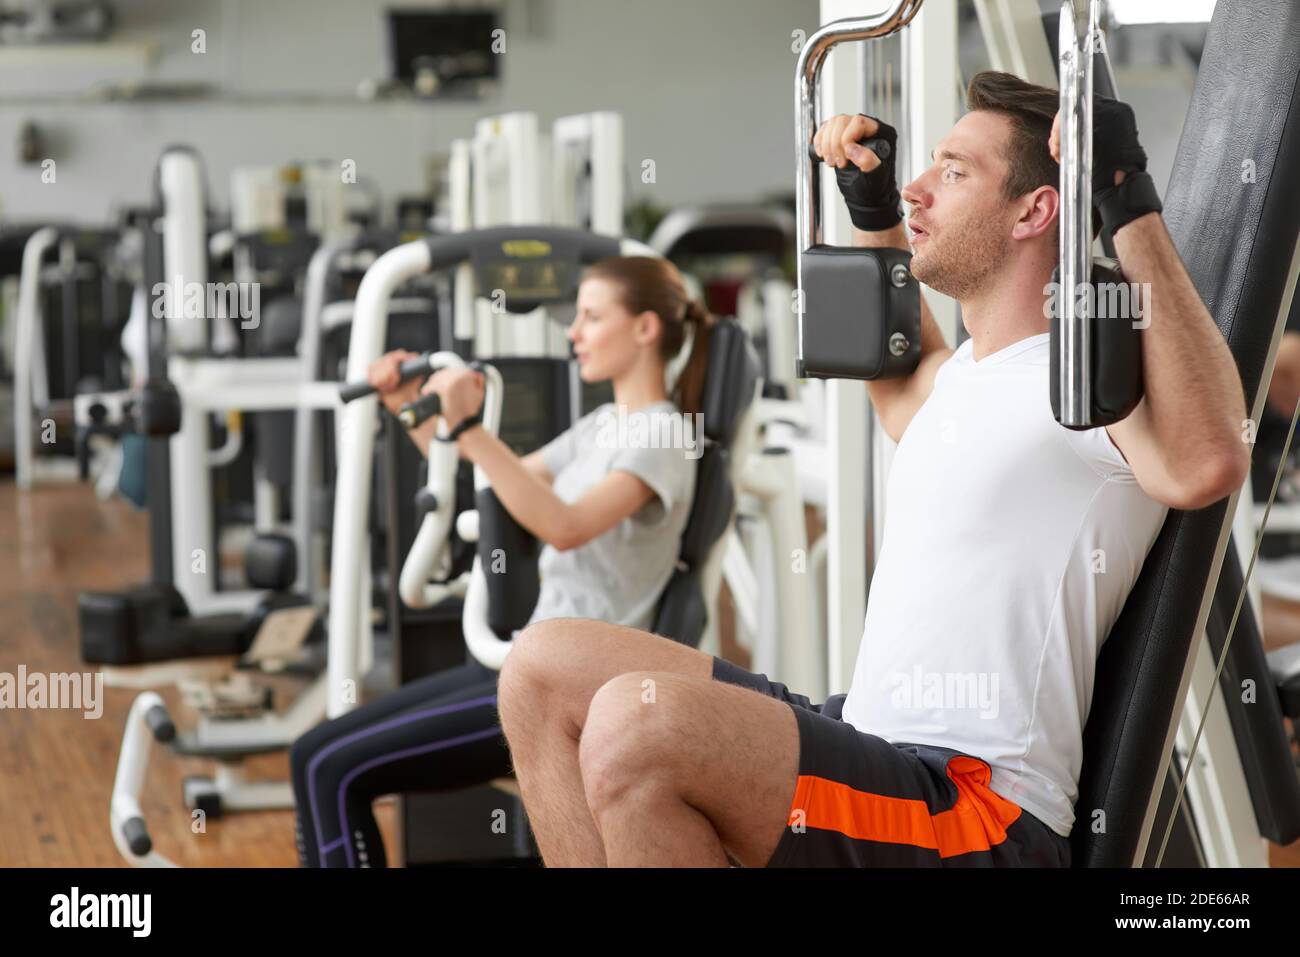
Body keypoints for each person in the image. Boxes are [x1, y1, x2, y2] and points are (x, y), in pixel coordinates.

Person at [496, 70, 1251, 868]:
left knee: (633, 725)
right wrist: (873, 207)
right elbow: (896, 371)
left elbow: (1209, 459)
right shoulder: (957, 374)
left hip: (973, 805)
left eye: (953, 172)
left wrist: (1125, 197)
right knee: (543, 668)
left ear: (1037, 210)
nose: (921, 189)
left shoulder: (1091, 383)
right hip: (870, 740)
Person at [290, 256, 711, 866]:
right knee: (313, 754)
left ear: (645, 329)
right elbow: (495, 481)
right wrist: (413, 405)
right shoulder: (601, 426)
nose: (574, 334)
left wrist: (466, 425)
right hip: (529, 666)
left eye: (592, 318)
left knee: (331, 768)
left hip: (569, 689)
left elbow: (565, 527)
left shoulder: (666, 435)